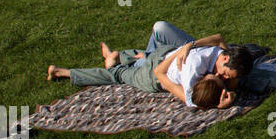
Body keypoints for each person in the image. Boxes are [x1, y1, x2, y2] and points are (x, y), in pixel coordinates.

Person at [46, 23, 251, 110]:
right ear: (225, 58)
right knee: (119, 72)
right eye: (224, 75)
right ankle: (120, 61)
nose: (222, 78)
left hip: (162, 62)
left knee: (125, 69)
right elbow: (193, 100)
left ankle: (69, 71)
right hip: (162, 63)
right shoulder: (195, 69)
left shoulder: (217, 61)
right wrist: (188, 46)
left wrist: (226, 94)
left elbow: (220, 41)